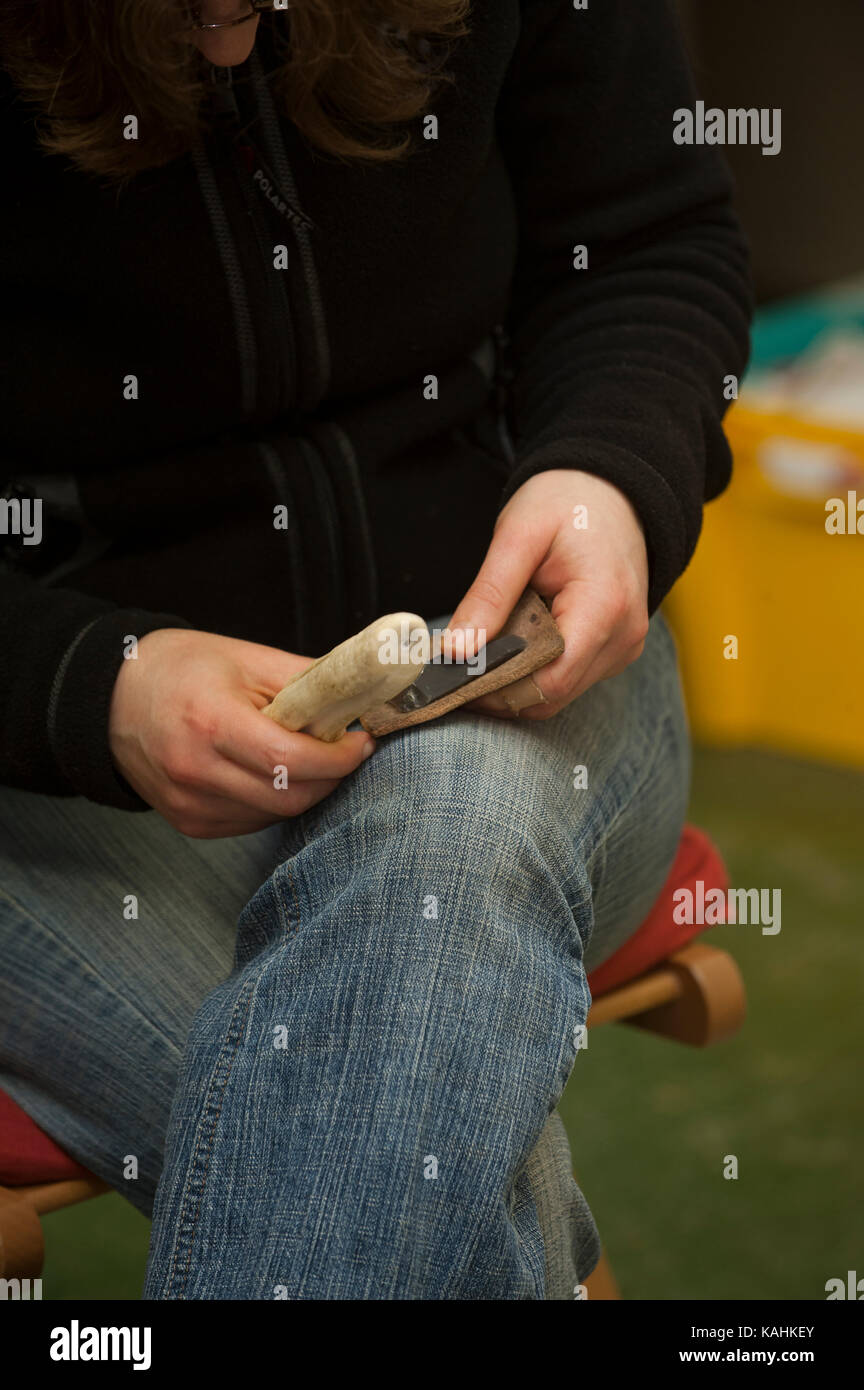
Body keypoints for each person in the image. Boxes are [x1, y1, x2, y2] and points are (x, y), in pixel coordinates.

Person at [0, 0, 751, 1298]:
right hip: (47, 788)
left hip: (511, 705)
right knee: (383, 1121)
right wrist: (84, 684)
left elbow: (646, 238)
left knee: (446, 832)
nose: (231, 52)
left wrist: (614, 472)